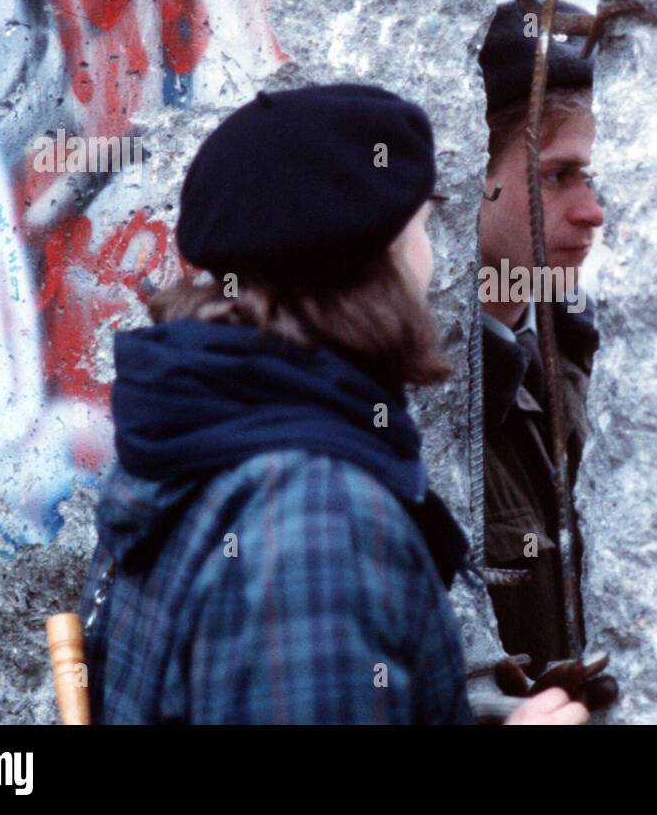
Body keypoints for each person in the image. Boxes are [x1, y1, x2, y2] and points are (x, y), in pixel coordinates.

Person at [78, 84, 586, 725]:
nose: (432, 263)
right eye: (422, 230)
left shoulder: (199, 436)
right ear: (378, 254)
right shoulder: (314, 516)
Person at [477, 2, 606, 677]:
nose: (593, 213)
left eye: (595, 178)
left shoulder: (591, 363)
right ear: (471, 176)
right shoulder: (421, 402)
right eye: (557, 176)